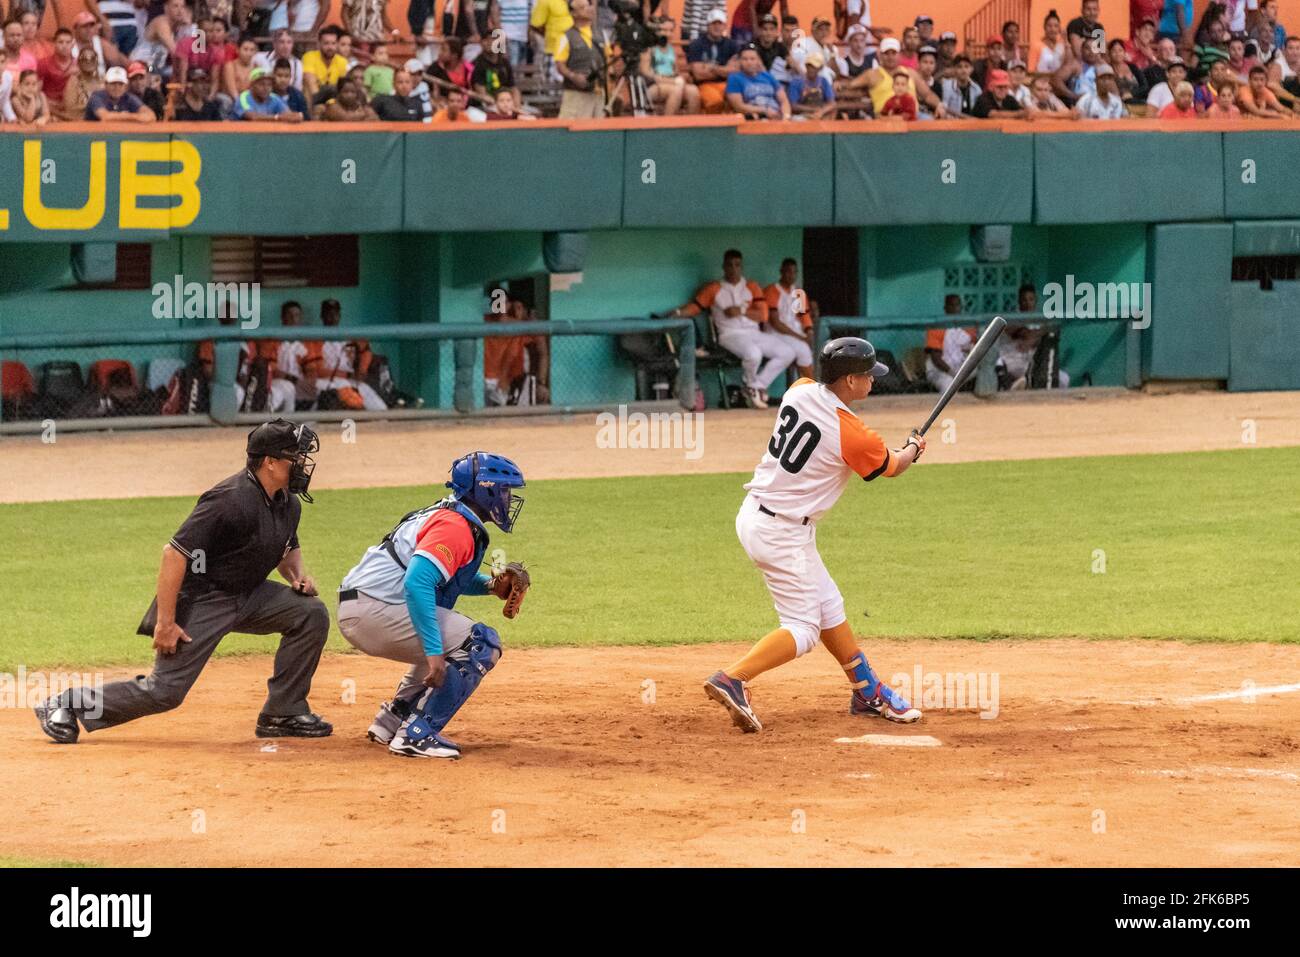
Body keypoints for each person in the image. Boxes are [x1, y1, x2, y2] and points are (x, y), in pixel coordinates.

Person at [35, 421, 333, 745]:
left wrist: (297, 577)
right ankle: (67, 702)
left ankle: (283, 711)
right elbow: (174, 555)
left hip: (250, 595)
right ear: (270, 461)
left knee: (309, 613)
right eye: (295, 457)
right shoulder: (228, 500)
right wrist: (165, 621)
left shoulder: (286, 503)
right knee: (165, 691)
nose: (302, 465)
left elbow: (285, 549)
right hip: (204, 599)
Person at [701, 338, 926, 735]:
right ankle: (733, 678)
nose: (872, 382)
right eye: (868, 376)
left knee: (828, 605)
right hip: (781, 530)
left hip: (759, 514)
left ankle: (866, 690)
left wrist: (900, 450)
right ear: (851, 381)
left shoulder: (800, 388)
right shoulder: (852, 433)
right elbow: (891, 467)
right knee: (804, 628)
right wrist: (912, 447)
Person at [337, 452, 527, 759]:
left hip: (364, 608)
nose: (508, 499)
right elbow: (417, 583)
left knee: (443, 631)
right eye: (504, 490)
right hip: (375, 610)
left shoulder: (452, 514)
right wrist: (433, 652)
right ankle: (417, 734)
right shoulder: (455, 526)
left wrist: (492, 587)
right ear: (486, 489)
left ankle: (394, 720)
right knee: (479, 642)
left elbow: (442, 576)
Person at [672, 248, 798, 410]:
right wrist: (676, 313)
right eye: (729, 265)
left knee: (788, 352)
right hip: (729, 335)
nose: (733, 269)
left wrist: (742, 311)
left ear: (741, 267)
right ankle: (752, 387)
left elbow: (763, 315)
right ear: (724, 267)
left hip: (753, 332)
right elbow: (694, 308)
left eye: (737, 265)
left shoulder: (751, 286)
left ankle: (755, 386)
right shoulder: (714, 288)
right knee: (753, 354)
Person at [763, 258, 816, 378]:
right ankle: (811, 389)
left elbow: (805, 316)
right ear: (781, 271)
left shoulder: (798, 292)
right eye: (788, 272)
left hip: (794, 334)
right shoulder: (771, 290)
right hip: (774, 333)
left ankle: (806, 389)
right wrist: (801, 337)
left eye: (794, 272)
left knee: (805, 351)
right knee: (802, 350)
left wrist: (809, 332)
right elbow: (775, 323)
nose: (791, 275)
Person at [555, 0, 608, 118]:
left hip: (599, 93)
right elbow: (560, 65)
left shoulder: (601, 34)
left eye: (589, 5)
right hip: (576, 94)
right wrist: (574, 77)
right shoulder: (565, 36)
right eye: (583, 7)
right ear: (573, 13)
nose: (589, 8)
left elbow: (609, 59)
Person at [687, 8, 740, 113]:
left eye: (720, 24)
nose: (717, 27)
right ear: (707, 26)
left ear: (724, 26)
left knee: (738, 97)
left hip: (727, 84)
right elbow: (698, 74)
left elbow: (735, 71)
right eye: (713, 24)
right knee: (715, 101)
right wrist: (724, 70)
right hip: (704, 84)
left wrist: (712, 68)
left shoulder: (732, 45)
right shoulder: (697, 44)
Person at [726, 42, 790, 119]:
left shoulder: (767, 76)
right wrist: (764, 111)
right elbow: (739, 106)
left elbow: (784, 100)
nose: (749, 62)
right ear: (740, 61)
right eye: (745, 59)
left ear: (758, 60)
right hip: (755, 117)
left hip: (777, 115)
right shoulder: (734, 78)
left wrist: (786, 116)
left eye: (752, 59)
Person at [85, 64, 155, 120]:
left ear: (125, 86)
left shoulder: (128, 97)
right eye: (113, 83)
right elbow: (105, 117)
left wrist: (129, 116)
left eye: (120, 84)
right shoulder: (97, 96)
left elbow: (151, 115)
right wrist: (135, 117)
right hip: (93, 135)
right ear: (106, 84)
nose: (117, 87)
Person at [236, 65, 301, 121]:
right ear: (252, 86)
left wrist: (294, 116)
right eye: (261, 84)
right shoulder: (243, 97)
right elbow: (253, 117)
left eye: (269, 85)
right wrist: (278, 117)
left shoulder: (274, 97)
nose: (266, 88)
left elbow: (288, 114)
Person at [36, 26, 75, 103]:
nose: (64, 46)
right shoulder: (44, 63)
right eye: (60, 42)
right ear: (54, 43)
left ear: (72, 44)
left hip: (72, 107)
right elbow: (36, 92)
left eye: (68, 42)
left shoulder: (78, 64)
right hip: (49, 106)